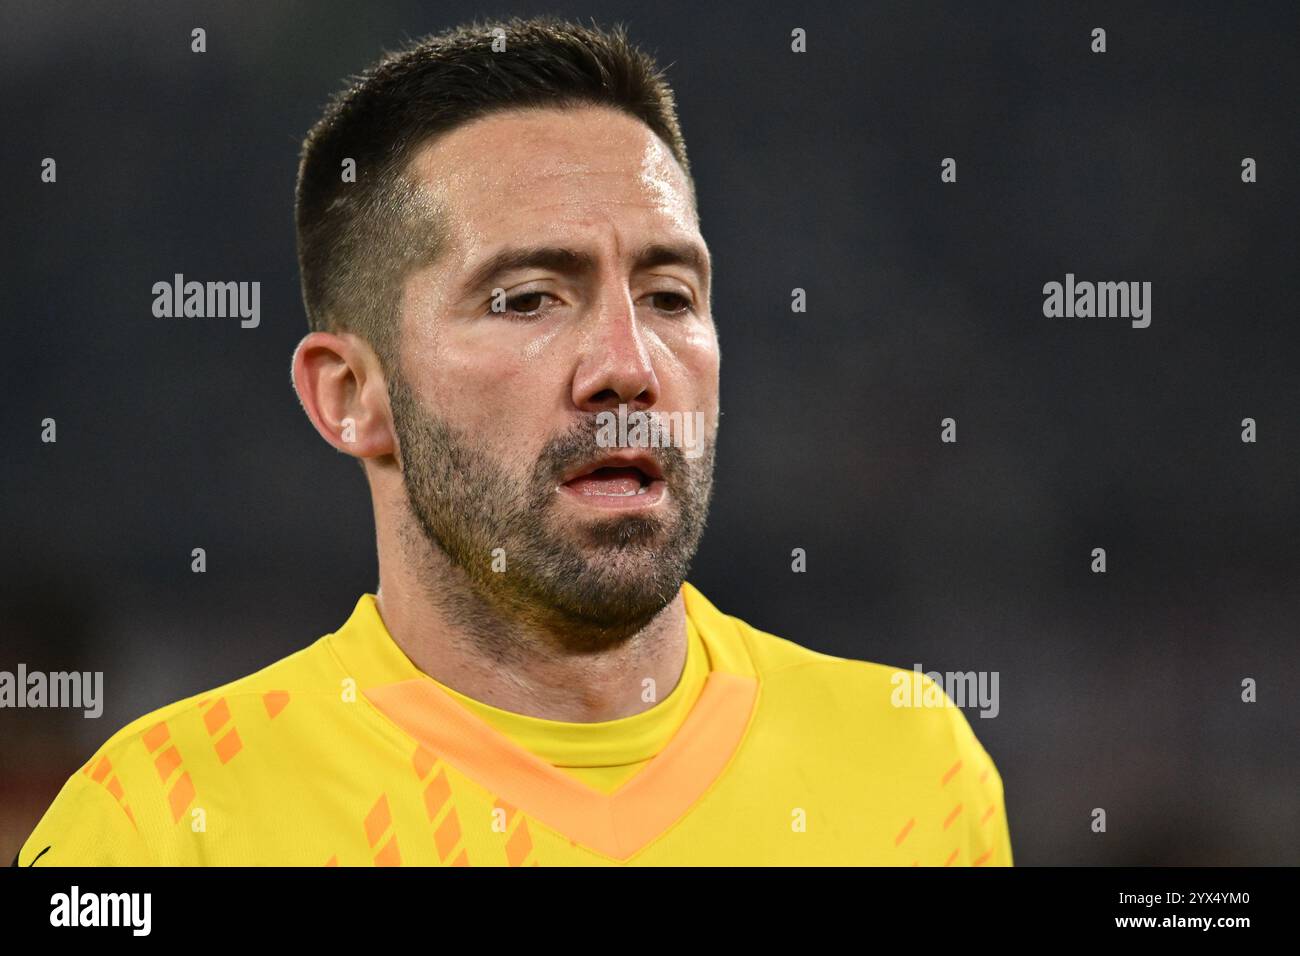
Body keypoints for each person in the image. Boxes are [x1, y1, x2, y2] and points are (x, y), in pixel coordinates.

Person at [16, 14, 1011, 866]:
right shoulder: (162, 826)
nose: (627, 363)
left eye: (669, 294)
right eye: (528, 297)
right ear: (352, 393)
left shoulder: (912, 769)